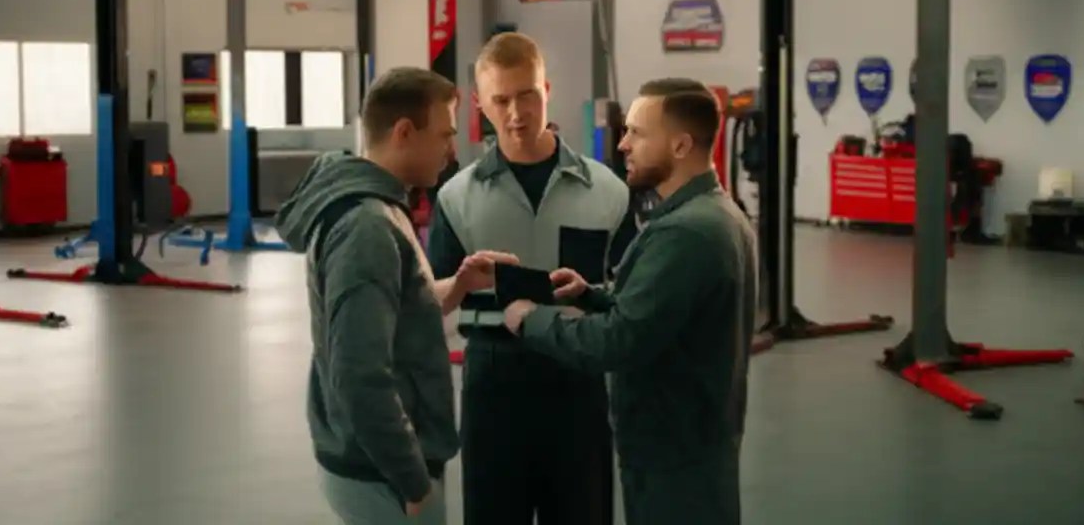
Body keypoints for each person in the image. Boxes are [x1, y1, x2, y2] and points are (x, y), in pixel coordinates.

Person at [503, 77, 758, 525]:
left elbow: (618, 342)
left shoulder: (685, 232)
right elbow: (662, 312)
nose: (623, 144)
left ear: (680, 146)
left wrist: (532, 320)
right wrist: (592, 295)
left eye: (637, 133)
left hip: (673, 458)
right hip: (693, 442)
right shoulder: (714, 214)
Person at [275, 67, 516, 525]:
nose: (451, 152)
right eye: (444, 135)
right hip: (383, 475)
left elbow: (408, 312)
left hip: (375, 464)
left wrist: (460, 284)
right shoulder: (367, 227)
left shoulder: (381, 206)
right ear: (405, 132)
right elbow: (359, 374)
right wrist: (413, 481)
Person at [426, 33, 632, 525]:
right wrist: (458, 282)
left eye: (527, 95)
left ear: (547, 89)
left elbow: (630, 292)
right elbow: (431, 296)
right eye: (501, 100)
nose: (516, 113)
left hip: (579, 385)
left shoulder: (607, 191)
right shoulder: (456, 198)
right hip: (493, 389)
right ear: (480, 105)